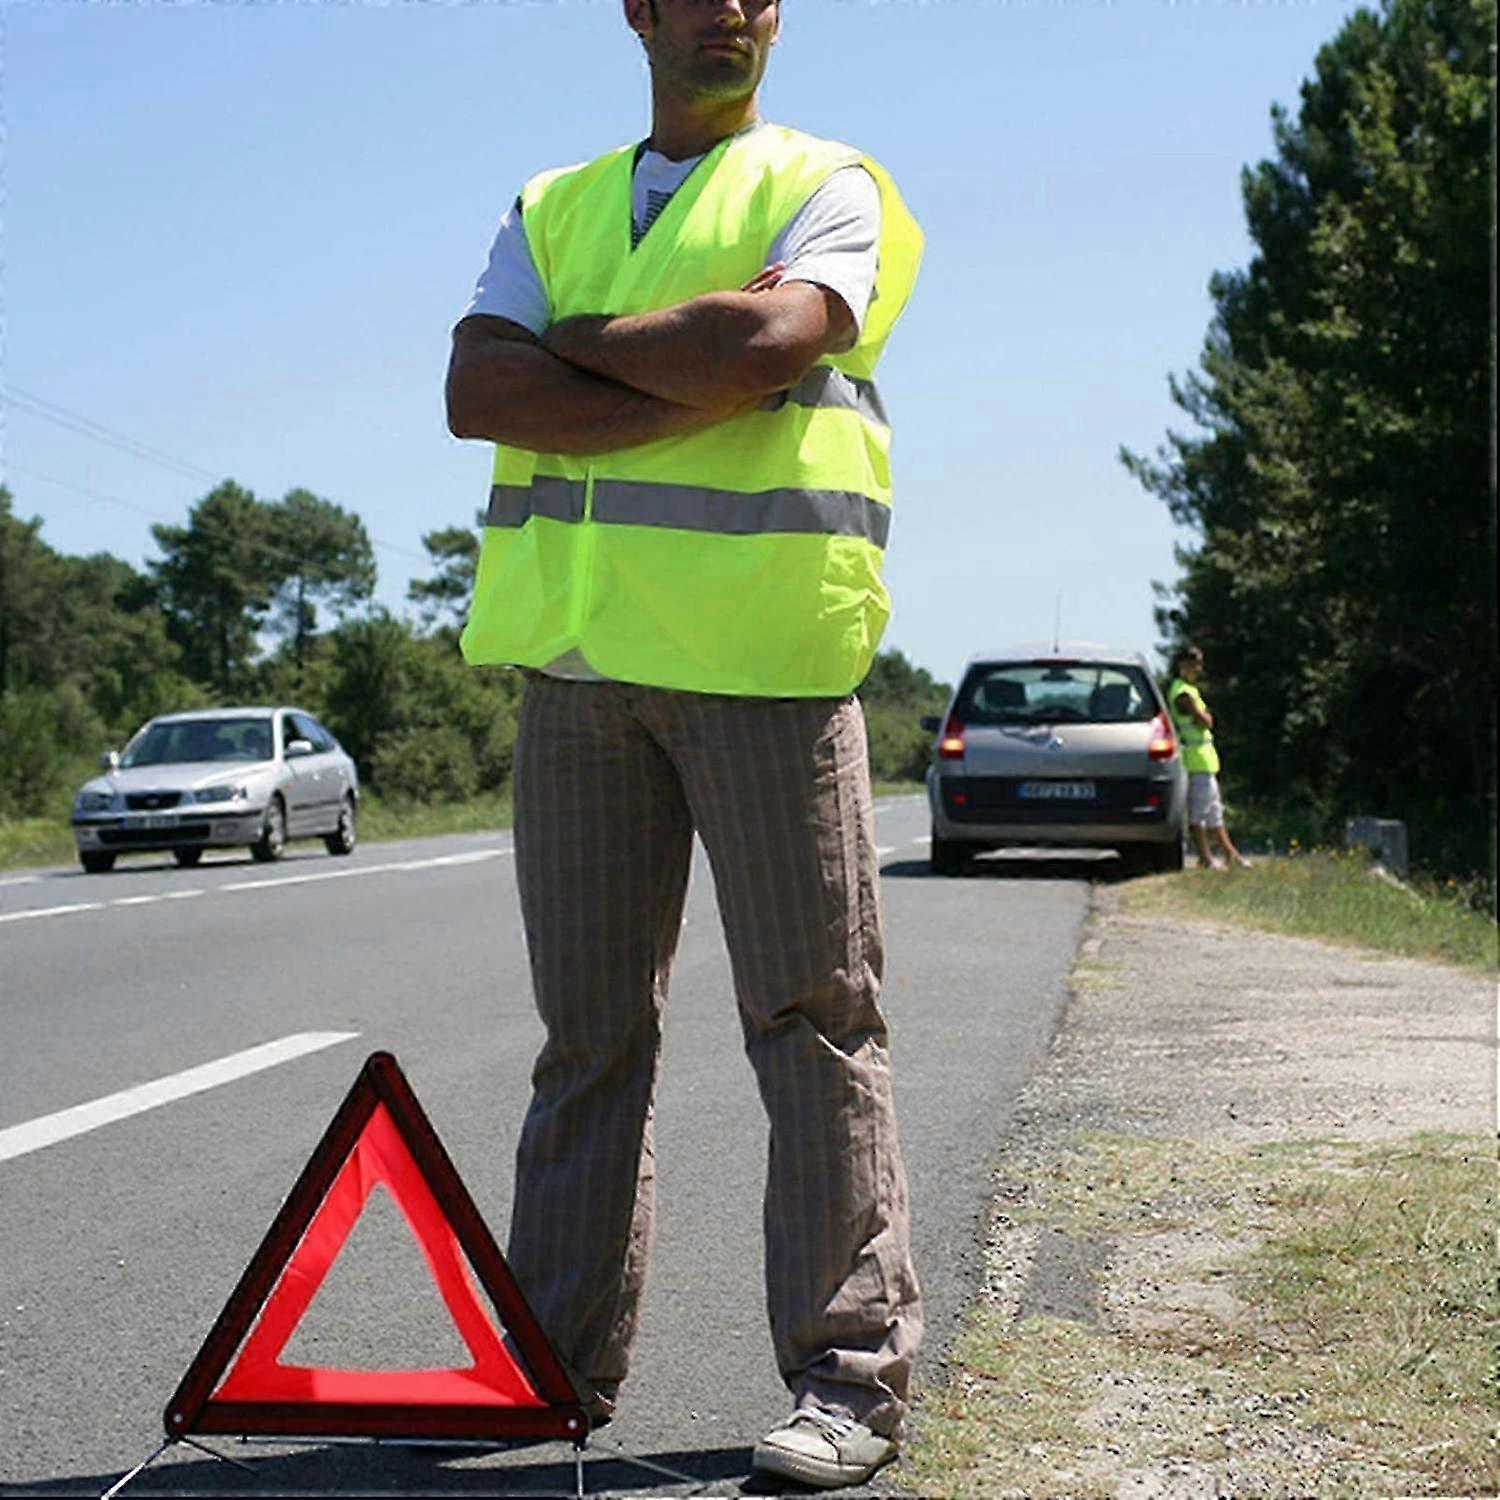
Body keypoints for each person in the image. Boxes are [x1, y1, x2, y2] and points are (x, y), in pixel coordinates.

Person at [443, 0, 924, 1488]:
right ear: (638, 11)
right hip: (582, 679)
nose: (730, 8)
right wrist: (679, 362)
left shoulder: (831, 186)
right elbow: (477, 389)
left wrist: (579, 357)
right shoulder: (552, 206)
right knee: (588, 1044)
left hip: (765, 667)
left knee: (813, 1023)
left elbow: (771, 342)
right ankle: (550, 1377)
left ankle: (848, 1384)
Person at [1168, 646, 1252, 871]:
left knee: (1215, 813)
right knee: (1200, 813)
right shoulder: (1181, 691)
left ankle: (1230, 855)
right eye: (1195, 663)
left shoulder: (1191, 690)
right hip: (1195, 760)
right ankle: (1205, 858)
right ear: (1183, 665)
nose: (1199, 668)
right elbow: (1203, 720)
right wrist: (1205, 717)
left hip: (1205, 759)